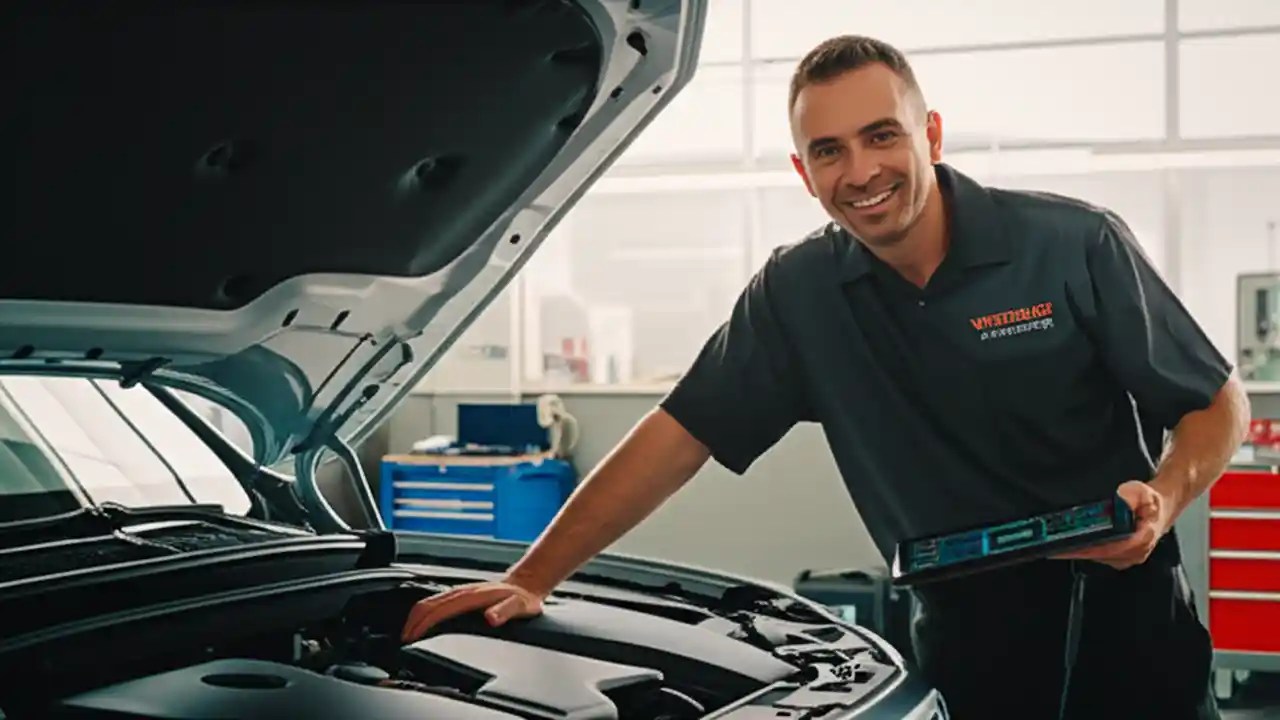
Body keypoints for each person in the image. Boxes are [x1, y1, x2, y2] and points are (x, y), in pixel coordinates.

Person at [399, 35, 1251, 719]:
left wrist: (1168, 495)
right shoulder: (798, 294)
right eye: (829, 150)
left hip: (1125, 607)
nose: (862, 171)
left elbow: (1215, 400)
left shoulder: (1072, 245)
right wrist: (531, 578)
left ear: (932, 135)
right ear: (805, 175)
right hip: (962, 625)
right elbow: (678, 432)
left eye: (883, 135)